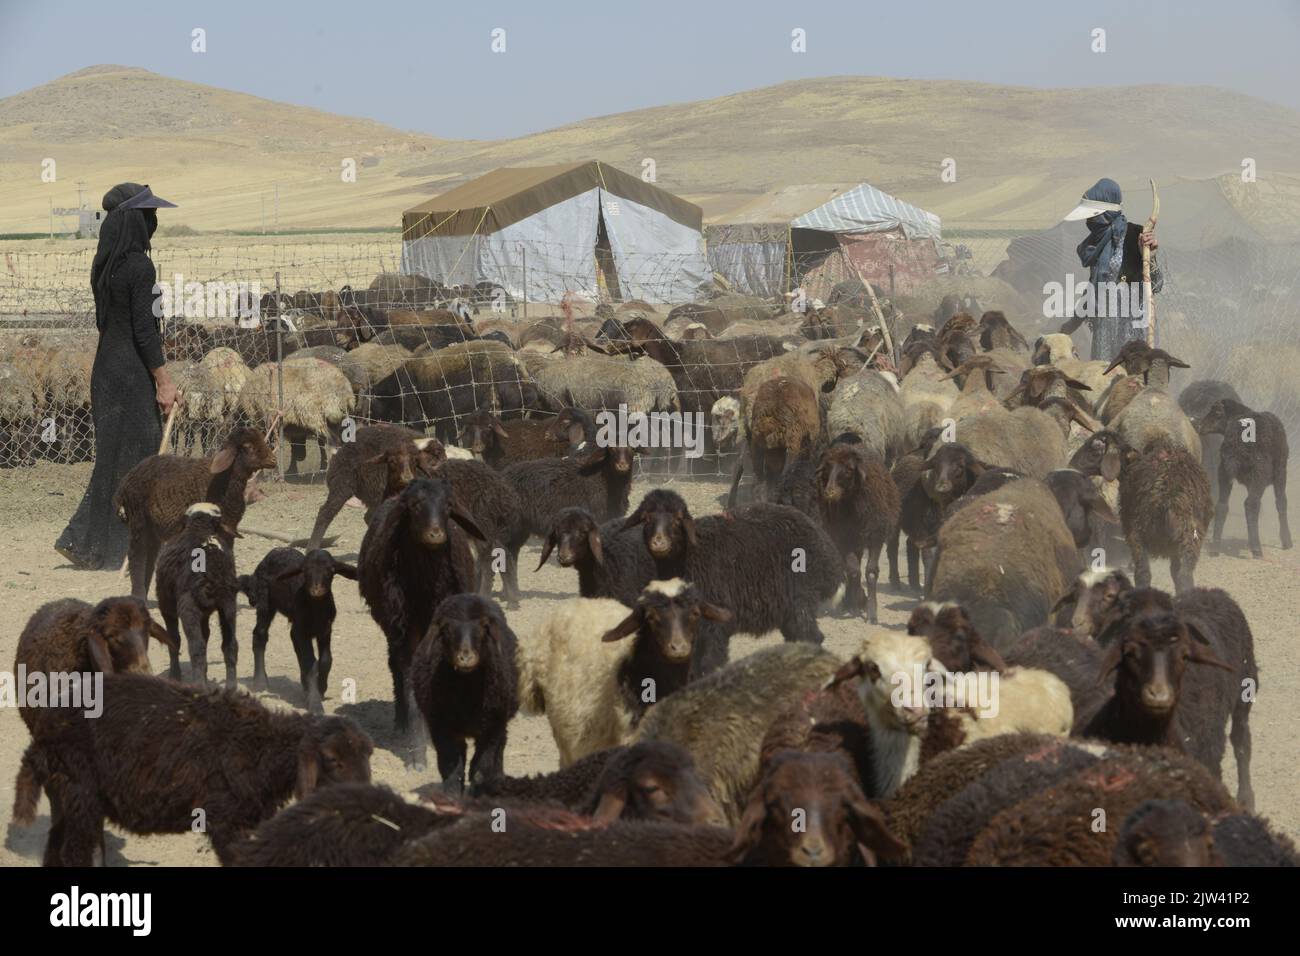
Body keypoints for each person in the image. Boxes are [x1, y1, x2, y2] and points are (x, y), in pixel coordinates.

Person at [54, 184, 179, 570]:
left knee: (111, 458)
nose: (154, 221)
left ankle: (84, 542)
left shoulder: (105, 264)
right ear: (134, 220)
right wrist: (163, 380)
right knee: (140, 460)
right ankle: (126, 547)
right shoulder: (140, 266)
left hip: (106, 370)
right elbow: (145, 332)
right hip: (130, 374)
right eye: (148, 215)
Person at [1058, 178, 1163, 362]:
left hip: (1133, 327)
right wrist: (1071, 325)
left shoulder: (1136, 236)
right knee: (1104, 378)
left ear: (1106, 214)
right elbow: (1093, 291)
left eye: (1093, 216)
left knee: (1133, 379)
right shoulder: (1096, 245)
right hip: (1105, 330)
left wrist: (1149, 255)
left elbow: (1156, 284)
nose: (1090, 221)